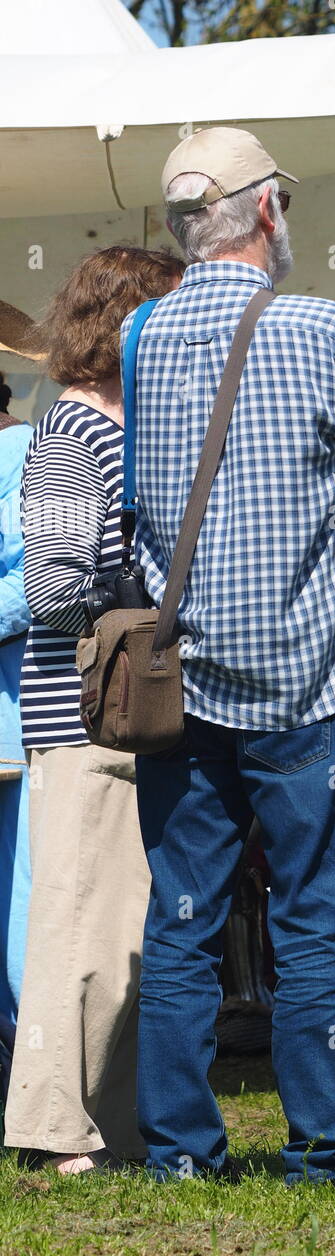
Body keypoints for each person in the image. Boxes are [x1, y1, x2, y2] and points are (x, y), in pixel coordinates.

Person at [128, 126, 335, 1189]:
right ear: (264, 211)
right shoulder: (322, 327)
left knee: (184, 922)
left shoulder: (142, 339)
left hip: (184, 681)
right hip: (305, 680)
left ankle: (179, 1154)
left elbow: (135, 503)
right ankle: (329, 1148)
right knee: (312, 923)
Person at [4, 247, 185, 1173]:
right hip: (82, 705)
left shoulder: (128, 422)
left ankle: (101, 1127)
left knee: (119, 928)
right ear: (124, 321)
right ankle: (51, 1128)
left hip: (118, 703)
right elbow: (51, 588)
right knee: (78, 920)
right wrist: (153, 588)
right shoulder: (78, 425)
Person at [0, 360, 33, 1109]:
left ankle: (34, 1081)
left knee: (23, 893)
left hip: (16, 713)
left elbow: (40, 579)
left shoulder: (25, 450)